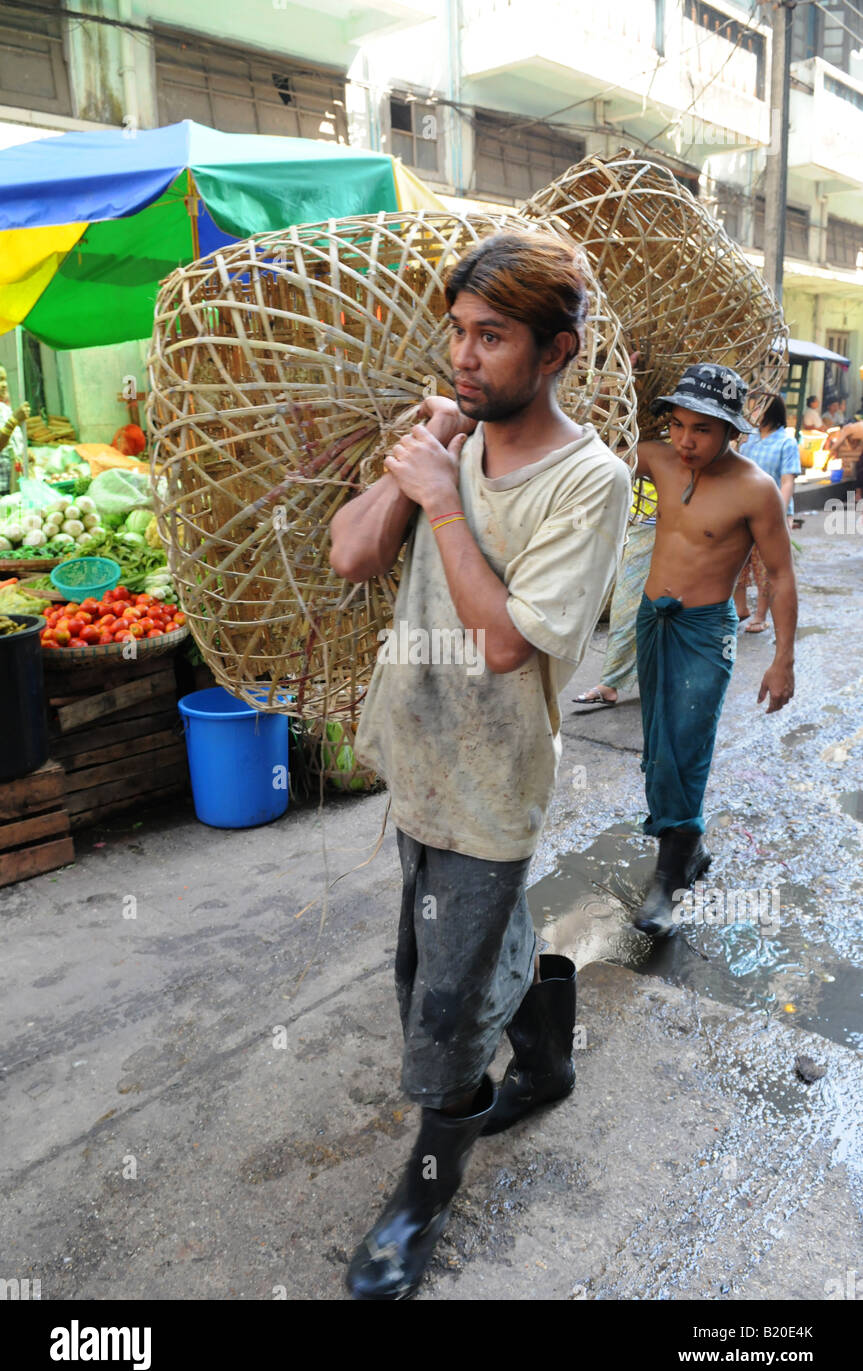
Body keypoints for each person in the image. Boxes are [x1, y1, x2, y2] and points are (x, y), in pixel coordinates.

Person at [329, 231, 631, 1300]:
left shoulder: (590, 481)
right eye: (457, 331)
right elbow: (353, 553)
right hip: (412, 748)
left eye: (492, 337)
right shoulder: (444, 441)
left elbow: (506, 641)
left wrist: (446, 501)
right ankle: (546, 1059)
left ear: (556, 351)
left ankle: (422, 1189)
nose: (464, 355)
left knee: (438, 992)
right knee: (472, 934)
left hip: (494, 777)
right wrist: (414, 471)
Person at [632, 364, 797, 937]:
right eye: (677, 425)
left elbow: (781, 574)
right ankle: (689, 846)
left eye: (702, 429)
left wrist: (782, 660)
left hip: (708, 630)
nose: (685, 440)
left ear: (731, 431)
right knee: (658, 744)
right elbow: (589, 453)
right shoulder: (655, 458)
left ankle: (671, 877)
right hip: (653, 621)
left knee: (687, 741)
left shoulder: (755, 488)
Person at [573, 476, 657, 707]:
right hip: (638, 524)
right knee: (626, 606)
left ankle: (665, 679)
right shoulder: (642, 447)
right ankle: (610, 682)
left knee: (672, 609)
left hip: (678, 529)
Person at [734, 394, 801, 634]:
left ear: (769, 413)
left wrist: (779, 515)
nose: (751, 413)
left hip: (771, 512)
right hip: (742, 509)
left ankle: (761, 616)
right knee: (737, 561)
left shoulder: (786, 442)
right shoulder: (747, 439)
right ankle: (740, 608)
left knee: (765, 566)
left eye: (756, 409)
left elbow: (787, 482)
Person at [0, 366, 30, 496]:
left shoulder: (5, 409)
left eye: (5, 379)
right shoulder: (11, 415)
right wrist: (13, 421)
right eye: (0, 380)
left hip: (13, 482)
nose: (4, 385)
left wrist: (25, 453)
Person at [826, 418, 863, 502]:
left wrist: (825, 463)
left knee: (859, 468)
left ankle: (858, 494)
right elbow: (853, 445)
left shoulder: (847, 428)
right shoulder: (857, 428)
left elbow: (835, 447)